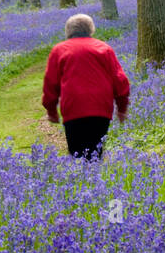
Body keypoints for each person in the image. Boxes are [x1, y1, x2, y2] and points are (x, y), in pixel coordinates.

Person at [42, 13, 130, 158]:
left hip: (73, 110)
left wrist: (51, 110)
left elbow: (51, 83)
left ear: (68, 31)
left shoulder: (59, 50)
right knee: (95, 153)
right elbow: (120, 80)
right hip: (101, 110)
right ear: (91, 29)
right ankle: (94, 179)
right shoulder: (104, 49)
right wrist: (122, 108)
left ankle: (83, 179)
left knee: (77, 154)